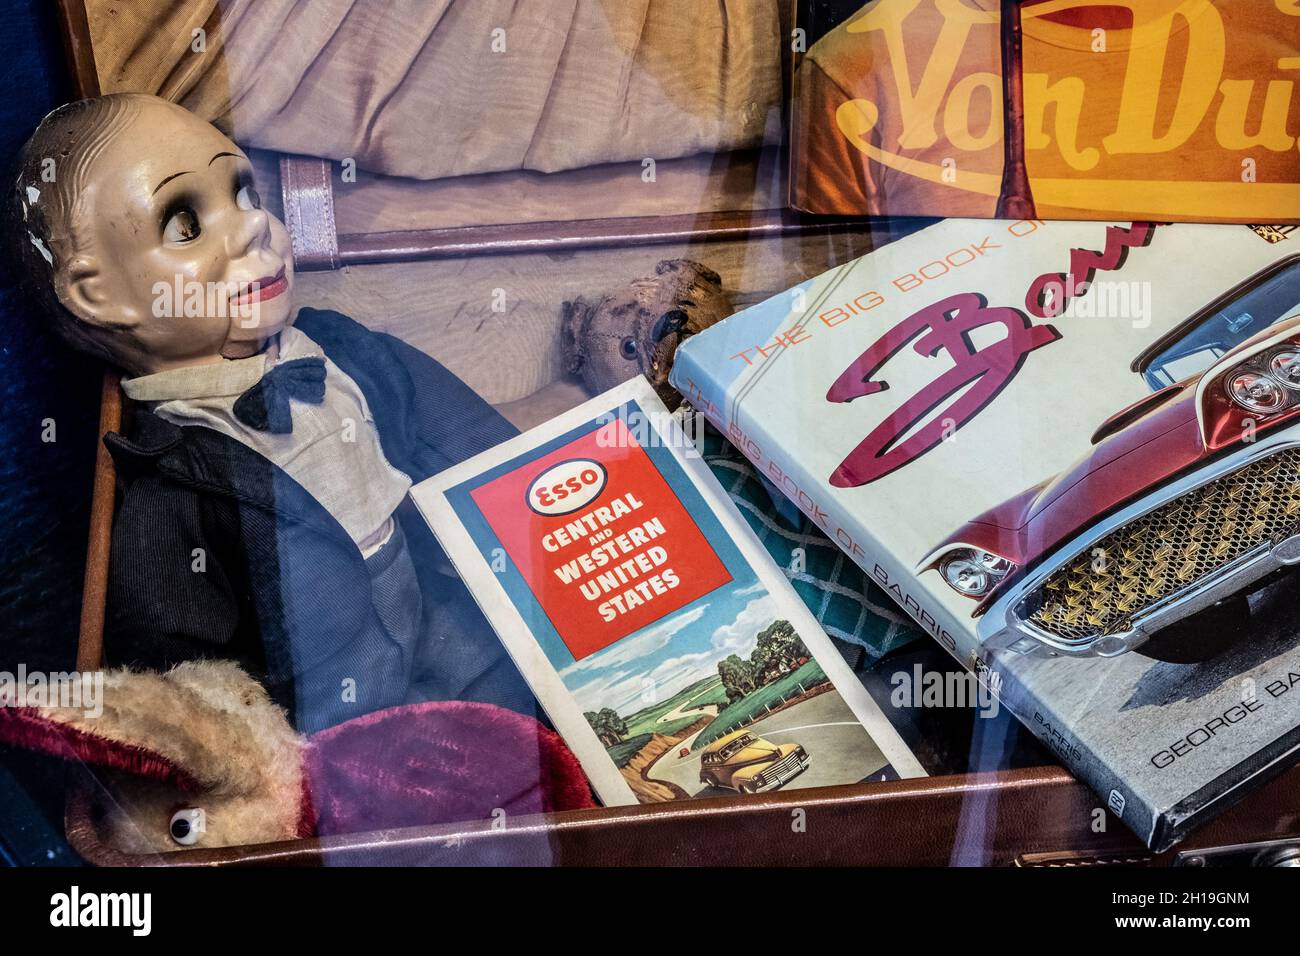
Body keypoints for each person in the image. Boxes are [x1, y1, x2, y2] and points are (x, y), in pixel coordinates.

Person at [8, 93, 537, 733]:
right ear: (99, 293)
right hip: (323, 708)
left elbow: (484, 449)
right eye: (184, 225)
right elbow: (180, 667)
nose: (254, 225)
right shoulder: (167, 482)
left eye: (245, 193)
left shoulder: (342, 348)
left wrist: (546, 527)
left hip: (443, 612)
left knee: (519, 718)